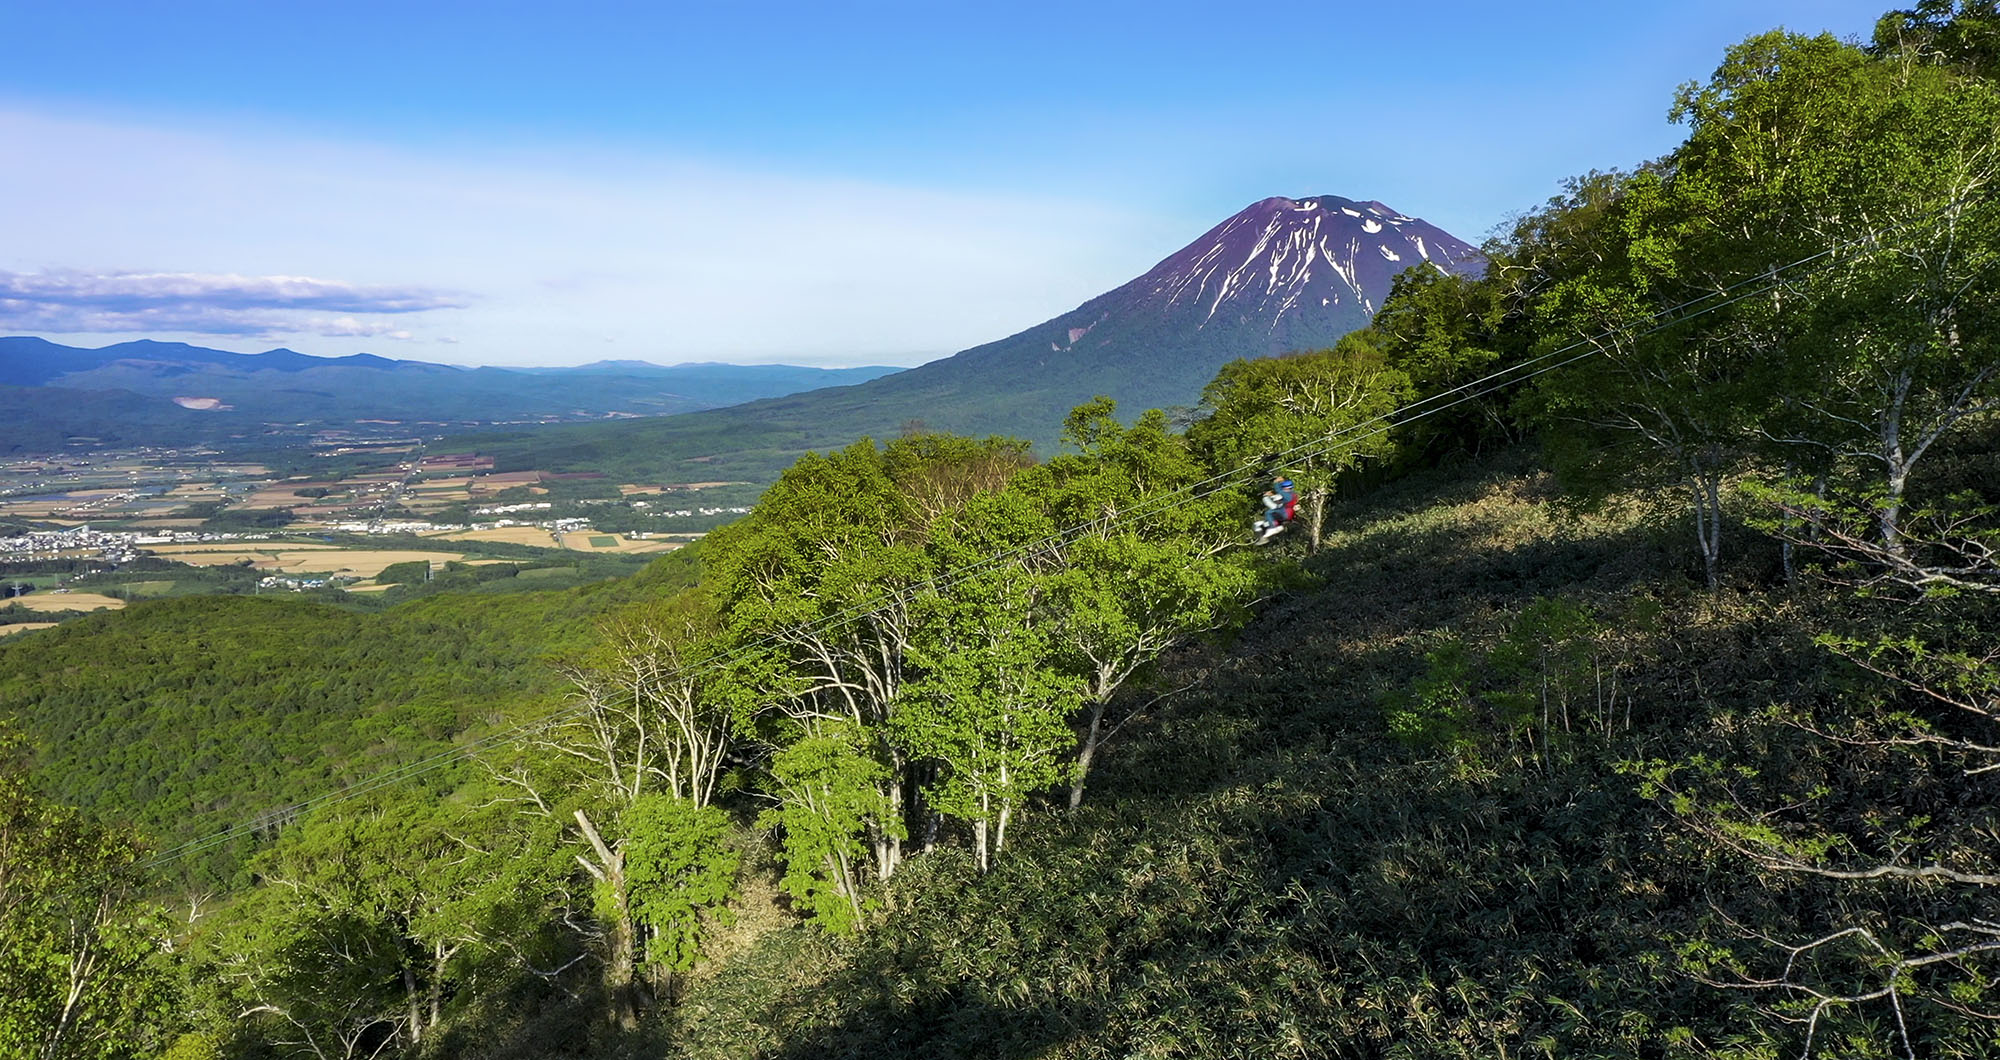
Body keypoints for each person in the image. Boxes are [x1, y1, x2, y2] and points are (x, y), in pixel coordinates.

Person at [1254, 474, 1296, 542]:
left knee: (1269, 513)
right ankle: (1268, 531)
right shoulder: (1292, 494)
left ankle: (1273, 527)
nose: (1283, 488)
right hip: (1288, 512)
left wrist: (1276, 482)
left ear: (1287, 488)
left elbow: (1278, 490)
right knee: (1271, 513)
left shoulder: (1287, 494)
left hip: (1285, 512)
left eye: (1284, 487)